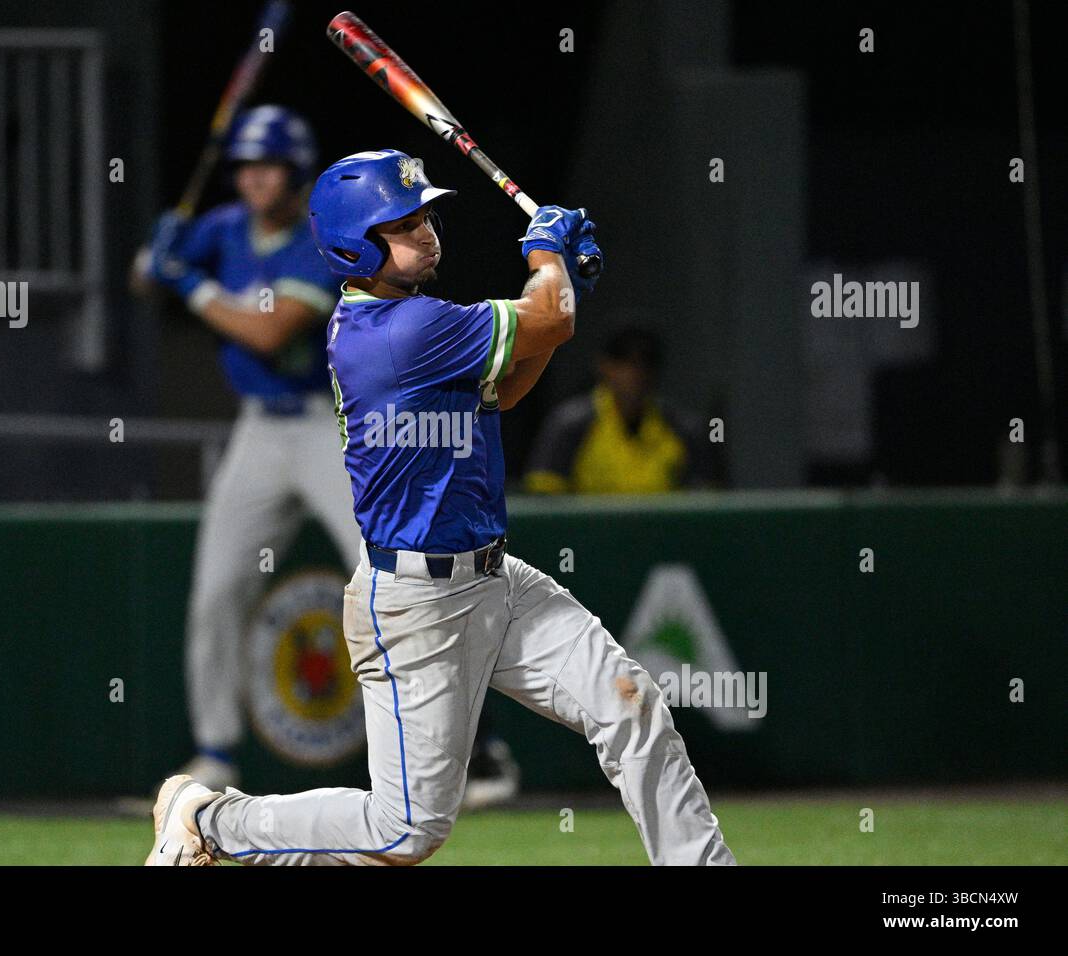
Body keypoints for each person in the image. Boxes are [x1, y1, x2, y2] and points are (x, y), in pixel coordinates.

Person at [145, 149, 735, 866]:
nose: (425, 231)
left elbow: (510, 386)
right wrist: (548, 256)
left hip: (495, 580)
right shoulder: (399, 334)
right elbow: (550, 318)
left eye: (424, 214)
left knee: (631, 705)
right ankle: (212, 823)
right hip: (414, 607)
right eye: (401, 222)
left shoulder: (424, 322)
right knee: (406, 832)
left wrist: (561, 282)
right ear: (354, 246)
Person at [143, 112, 518, 803]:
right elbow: (145, 283)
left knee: (411, 577)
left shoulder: (322, 243)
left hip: (336, 429)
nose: (256, 177)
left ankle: (476, 749)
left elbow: (269, 333)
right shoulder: (225, 227)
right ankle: (216, 752)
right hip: (257, 431)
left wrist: (187, 284)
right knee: (219, 586)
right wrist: (156, 258)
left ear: (295, 174)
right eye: (247, 166)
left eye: (271, 166)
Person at [524, 325, 711, 494]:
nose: (635, 372)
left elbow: (704, 501)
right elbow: (543, 498)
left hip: (661, 532)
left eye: (646, 360)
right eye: (623, 359)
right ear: (603, 365)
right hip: (590, 532)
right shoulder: (569, 424)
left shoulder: (685, 429)